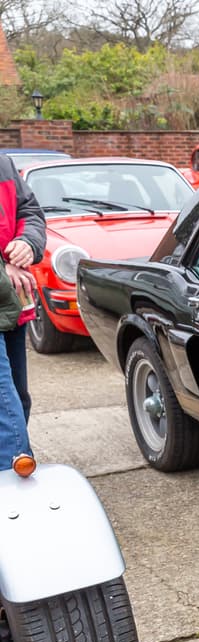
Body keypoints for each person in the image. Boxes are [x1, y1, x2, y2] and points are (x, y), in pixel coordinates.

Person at [0, 154, 45, 468]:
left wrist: (27, 242)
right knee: (5, 406)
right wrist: (4, 267)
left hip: (10, 307)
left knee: (17, 396)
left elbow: (30, 212)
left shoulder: (3, 165)